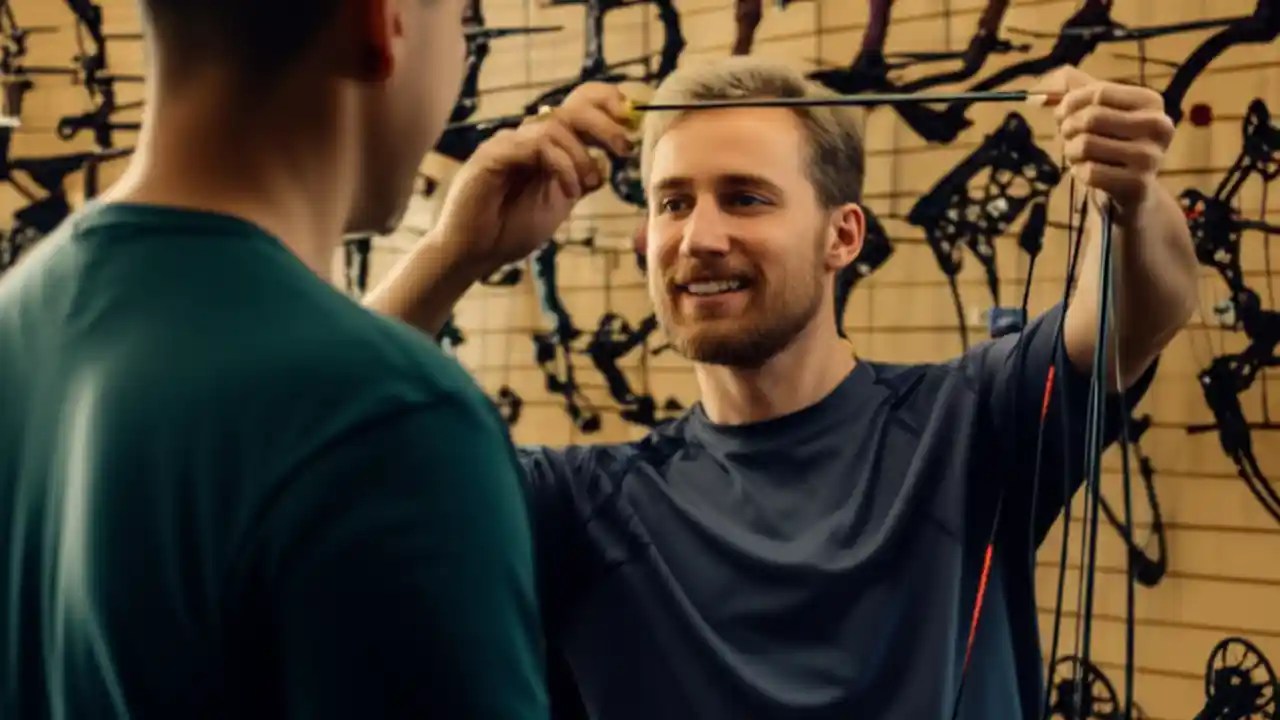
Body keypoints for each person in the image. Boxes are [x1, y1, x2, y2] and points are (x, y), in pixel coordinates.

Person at [369, 56, 1199, 719]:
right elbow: (328, 424)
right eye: (672, 203)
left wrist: (1131, 195)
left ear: (843, 235)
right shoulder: (584, 504)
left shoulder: (971, 422)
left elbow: (1144, 305)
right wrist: (455, 249)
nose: (700, 237)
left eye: (746, 198)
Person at [0, 0, 632, 717]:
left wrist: (449, 261)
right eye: (461, 18)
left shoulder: (18, 324)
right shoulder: (399, 423)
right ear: (382, 22)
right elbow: (318, 426)